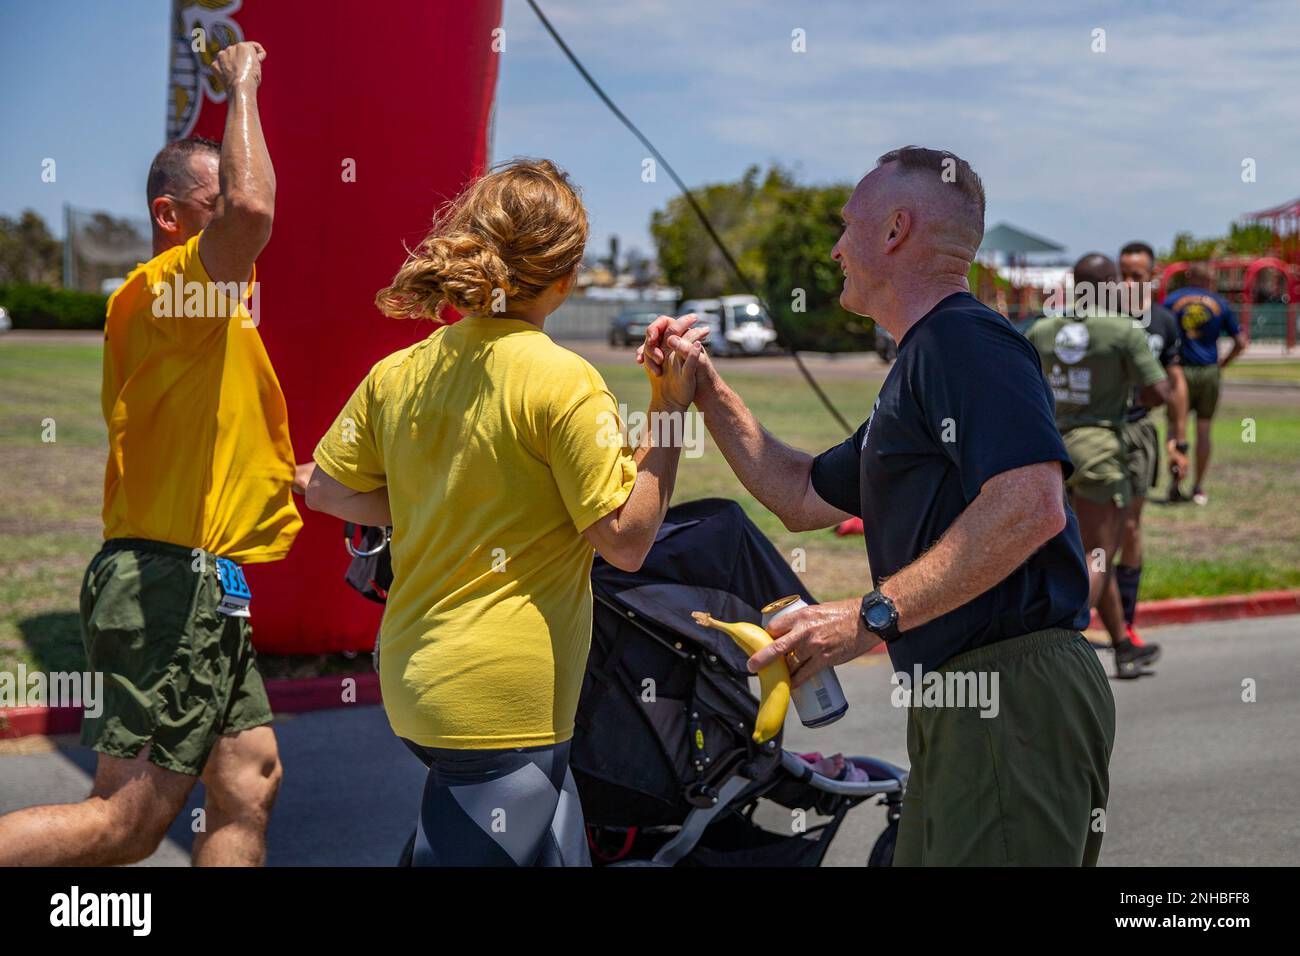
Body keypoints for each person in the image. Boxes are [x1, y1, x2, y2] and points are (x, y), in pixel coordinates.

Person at [643, 146, 1115, 865]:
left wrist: (869, 617)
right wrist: (704, 386)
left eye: (845, 227)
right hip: (969, 696)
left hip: (1009, 693)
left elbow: (1030, 506)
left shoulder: (964, 340)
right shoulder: (927, 357)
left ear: (893, 231)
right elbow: (800, 495)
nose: (834, 248)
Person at [304, 159, 706, 867]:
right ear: (566, 276)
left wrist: (442, 499)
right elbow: (627, 540)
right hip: (498, 705)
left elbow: (328, 491)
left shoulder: (402, 370)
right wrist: (668, 408)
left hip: (418, 677)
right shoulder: (563, 379)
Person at [0, 42, 300, 866]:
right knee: (122, 826)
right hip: (171, 582)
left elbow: (239, 456)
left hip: (206, 585)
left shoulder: (217, 321)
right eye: (212, 203)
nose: (229, 219)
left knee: (248, 779)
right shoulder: (170, 288)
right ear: (171, 216)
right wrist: (243, 86)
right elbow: (255, 213)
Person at [1027, 254, 1170, 678]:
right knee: (1100, 555)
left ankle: (1123, 646)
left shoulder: (1043, 327)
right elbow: (1159, 391)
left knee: (1077, 552)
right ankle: (1050, 646)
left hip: (1050, 449)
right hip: (1100, 449)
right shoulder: (1123, 329)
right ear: (1110, 283)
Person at [1116, 242, 1188, 651]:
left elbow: (1176, 385)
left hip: (1140, 432)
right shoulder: (1101, 317)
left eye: (1136, 275)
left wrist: (1180, 441)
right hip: (1099, 432)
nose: (1127, 281)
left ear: (1152, 278)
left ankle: (1125, 621)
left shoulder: (1163, 321)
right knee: (1088, 530)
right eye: (1122, 273)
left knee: (1129, 526)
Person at [1164, 261, 1247, 505]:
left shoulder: (1172, 300)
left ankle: (1175, 483)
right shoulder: (1220, 304)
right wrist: (1223, 364)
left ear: (1189, 276)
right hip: (1209, 371)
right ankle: (1198, 487)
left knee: (1176, 429)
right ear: (1210, 279)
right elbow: (1241, 341)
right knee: (1203, 430)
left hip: (1179, 370)